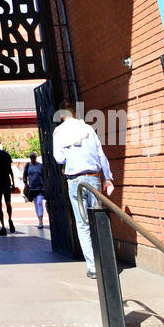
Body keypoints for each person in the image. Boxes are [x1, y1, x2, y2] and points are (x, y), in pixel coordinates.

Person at [52, 103, 114, 279]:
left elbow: (59, 158)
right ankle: (105, 262)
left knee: (83, 224)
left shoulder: (59, 132)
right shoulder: (87, 128)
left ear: (62, 116)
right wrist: (108, 178)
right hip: (93, 177)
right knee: (99, 220)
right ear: (74, 113)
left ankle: (93, 267)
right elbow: (101, 154)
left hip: (75, 181)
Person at [22, 151, 46, 229]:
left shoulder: (40, 166)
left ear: (36, 157)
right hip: (32, 188)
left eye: (34, 157)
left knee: (39, 202)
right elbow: (25, 175)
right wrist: (25, 184)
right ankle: (39, 220)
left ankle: (41, 220)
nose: (32, 159)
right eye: (31, 157)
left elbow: (44, 176)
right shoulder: (28, 165)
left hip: (40, 187)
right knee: (36, 204)